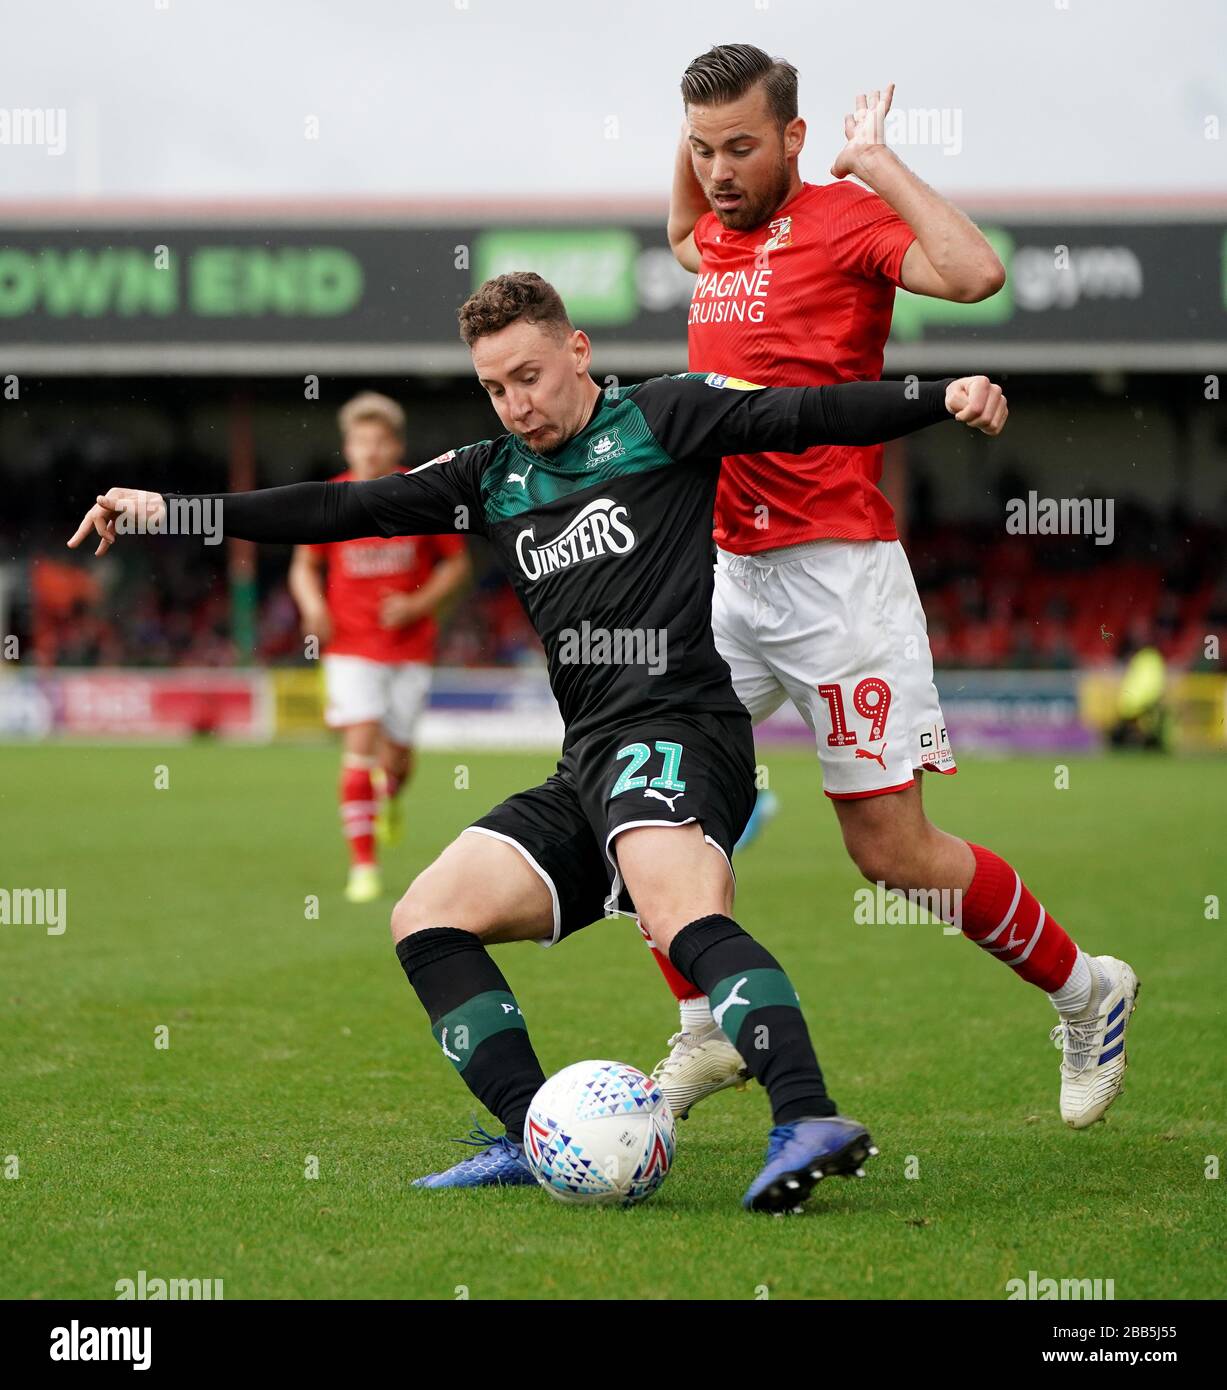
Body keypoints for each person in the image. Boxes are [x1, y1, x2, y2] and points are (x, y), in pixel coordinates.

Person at [69, 272, 1007, 1212]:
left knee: (681, 918)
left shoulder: (665, 418)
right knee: (426, 917)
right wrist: (169, 510)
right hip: (587, 759)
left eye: (529, 376)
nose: (517, 405)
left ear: (577, 352)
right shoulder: (491, 476)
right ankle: (531, 1133)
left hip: (680, 729)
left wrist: (940, 397)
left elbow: (807, 413)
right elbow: (338, 510)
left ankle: (806, 1114)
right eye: (493, 388)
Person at [647, 44, 1138, 1130]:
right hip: (725, 577)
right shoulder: (713, 234)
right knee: (649, 799)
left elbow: (973, 274)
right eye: (702, 148)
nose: (720, 170)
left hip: (838, 580)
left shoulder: (844, 219)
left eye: (741, 147)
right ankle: (706, 1027)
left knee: (892, 856)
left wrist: (878, 165)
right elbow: (685, 227)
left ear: (794, 138)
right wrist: (684, 146)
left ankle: (1087, 989)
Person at [287, 392, 470, 904]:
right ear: (347, 446)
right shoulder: (332, 499)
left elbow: (456, 565)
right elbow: (304, 567)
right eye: (359, 441)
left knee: (399, 760)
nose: (368, 451)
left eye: (377, 440)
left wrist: (418, 606)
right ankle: (363, 866)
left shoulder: (420, 492)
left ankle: (390, 795)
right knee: (359, 744)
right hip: (350, 646)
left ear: (395, 445)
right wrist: (312, 608)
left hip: (410, 648)